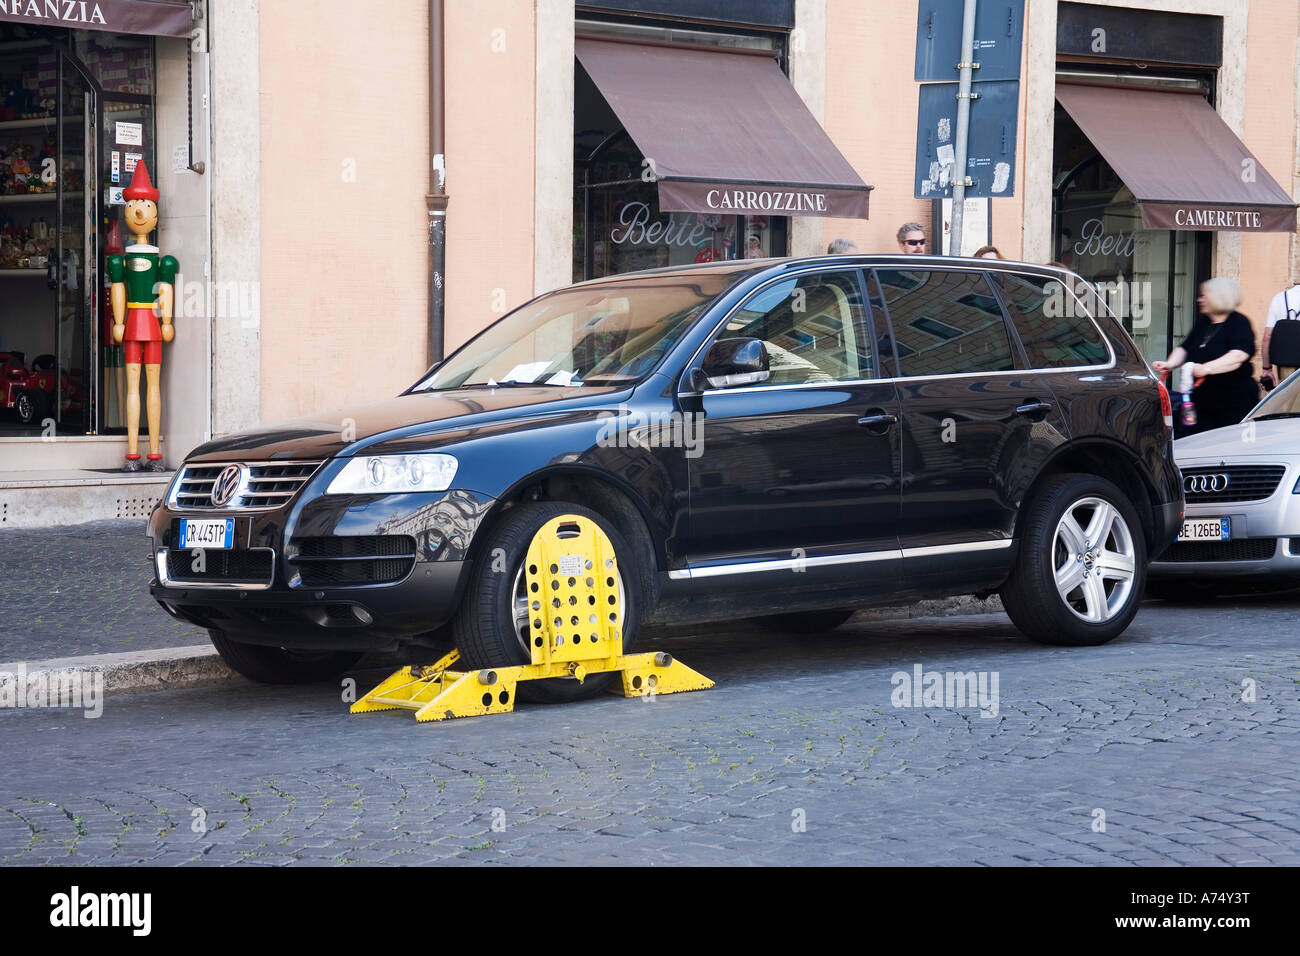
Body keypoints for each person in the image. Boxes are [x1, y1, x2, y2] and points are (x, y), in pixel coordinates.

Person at [1153, 277, 1257, 436]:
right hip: (1202, 401)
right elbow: (1185, 348)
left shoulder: (1239, 323)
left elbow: (1238, 356)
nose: (1199, 299)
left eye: (1203, 296)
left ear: (1218, 298)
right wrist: (1170, 364)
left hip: (1233, 401)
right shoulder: (1204, 323)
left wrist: (1206, 369)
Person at [1262, 278, 1300, 386]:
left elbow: (1267, 337)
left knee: (1289, 401)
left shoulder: (1279, 298)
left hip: (1287, 362)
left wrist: (1267, 368)